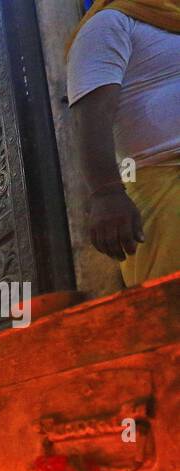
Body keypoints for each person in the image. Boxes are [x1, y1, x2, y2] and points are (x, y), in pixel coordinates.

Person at [68, 0, 180, 287]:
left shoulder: (173, 18)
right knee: (169, 309)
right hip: (160, 187)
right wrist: (106, 194)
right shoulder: (108, 25)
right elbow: (91, 117)